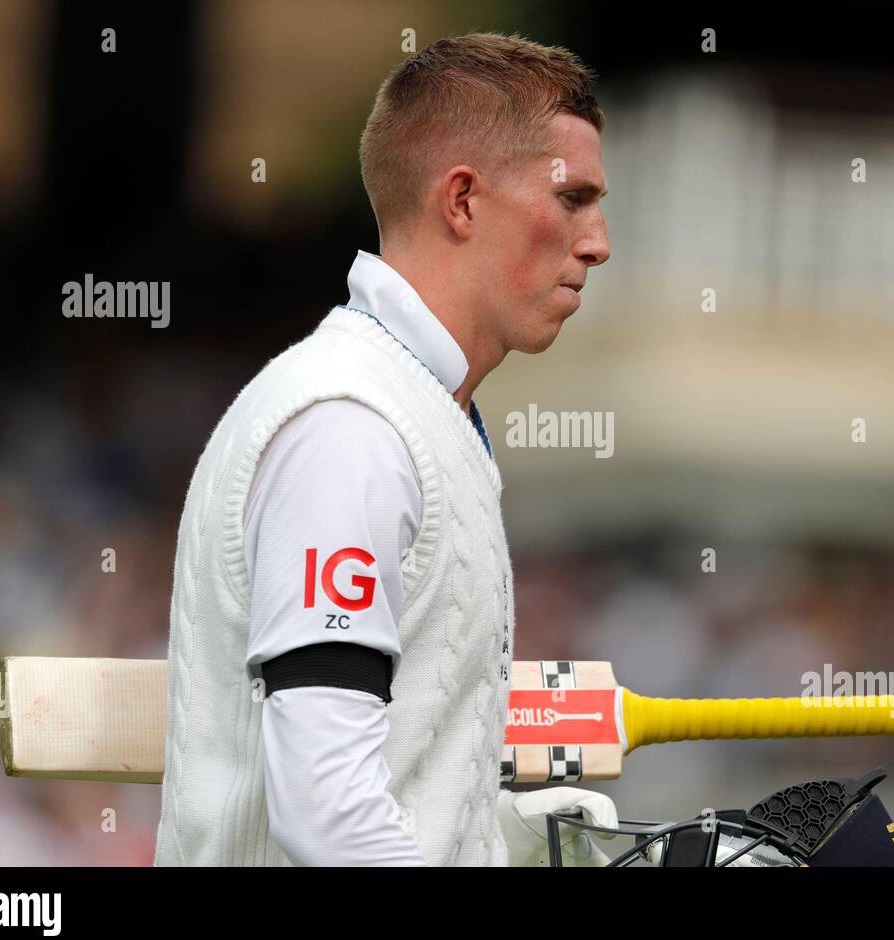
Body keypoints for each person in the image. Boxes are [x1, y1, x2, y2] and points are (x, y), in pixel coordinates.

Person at [153, 31, 615, 866]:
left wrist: (510, 835)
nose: (598, 241)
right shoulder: (350, 428)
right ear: (464, 201)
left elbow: (380, 797)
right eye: (572, 199)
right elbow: (326, 817)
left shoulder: (411, 409)